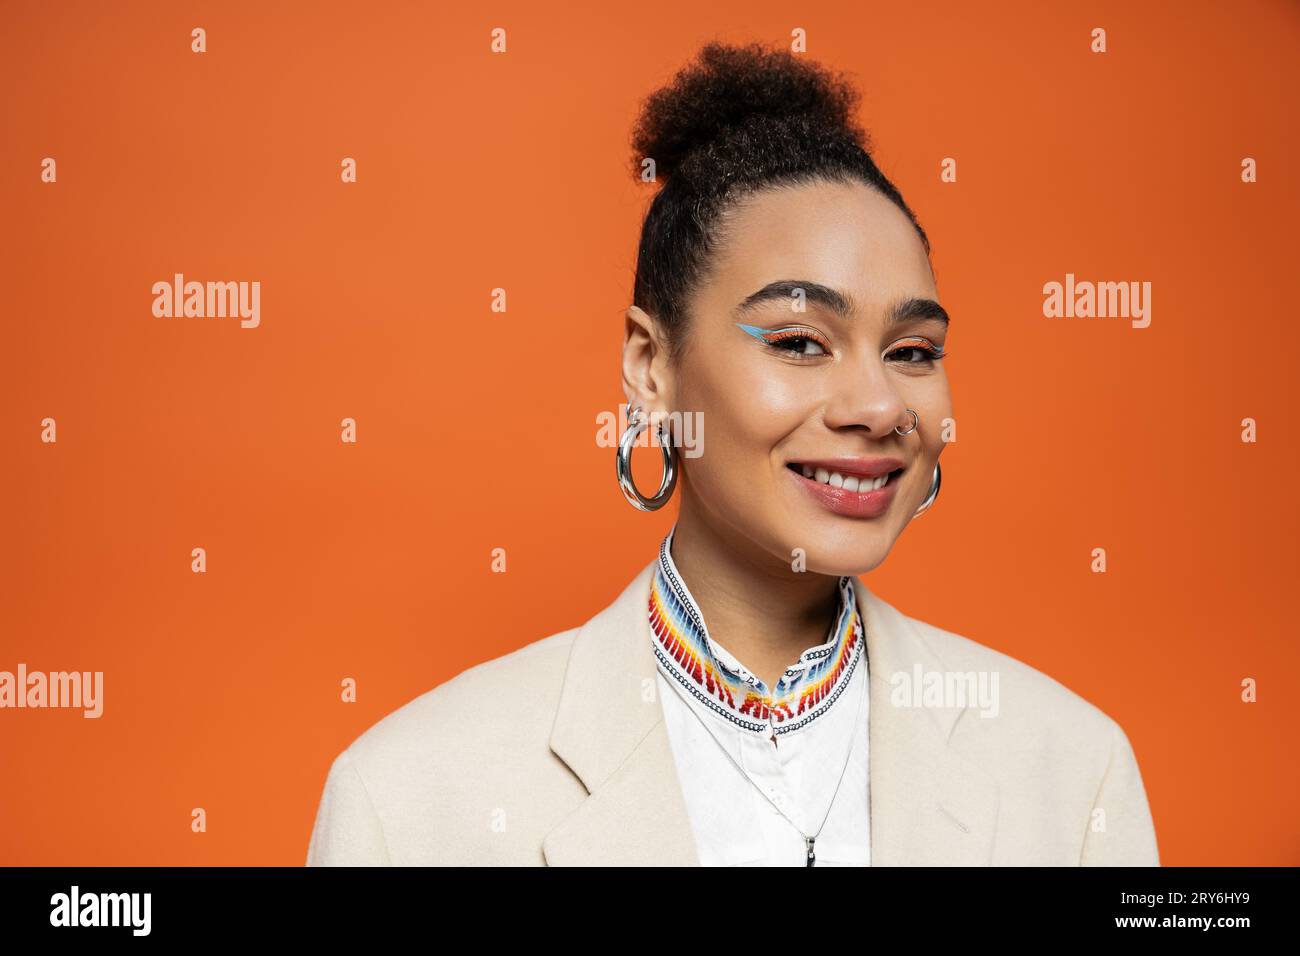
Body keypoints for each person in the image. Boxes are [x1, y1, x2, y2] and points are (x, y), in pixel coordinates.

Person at [306, 40, 1159, 867]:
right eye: (796, 341)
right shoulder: (411, 800)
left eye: (913, 351)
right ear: (652, 367)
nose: (878, 406)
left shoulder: (1074, 773)